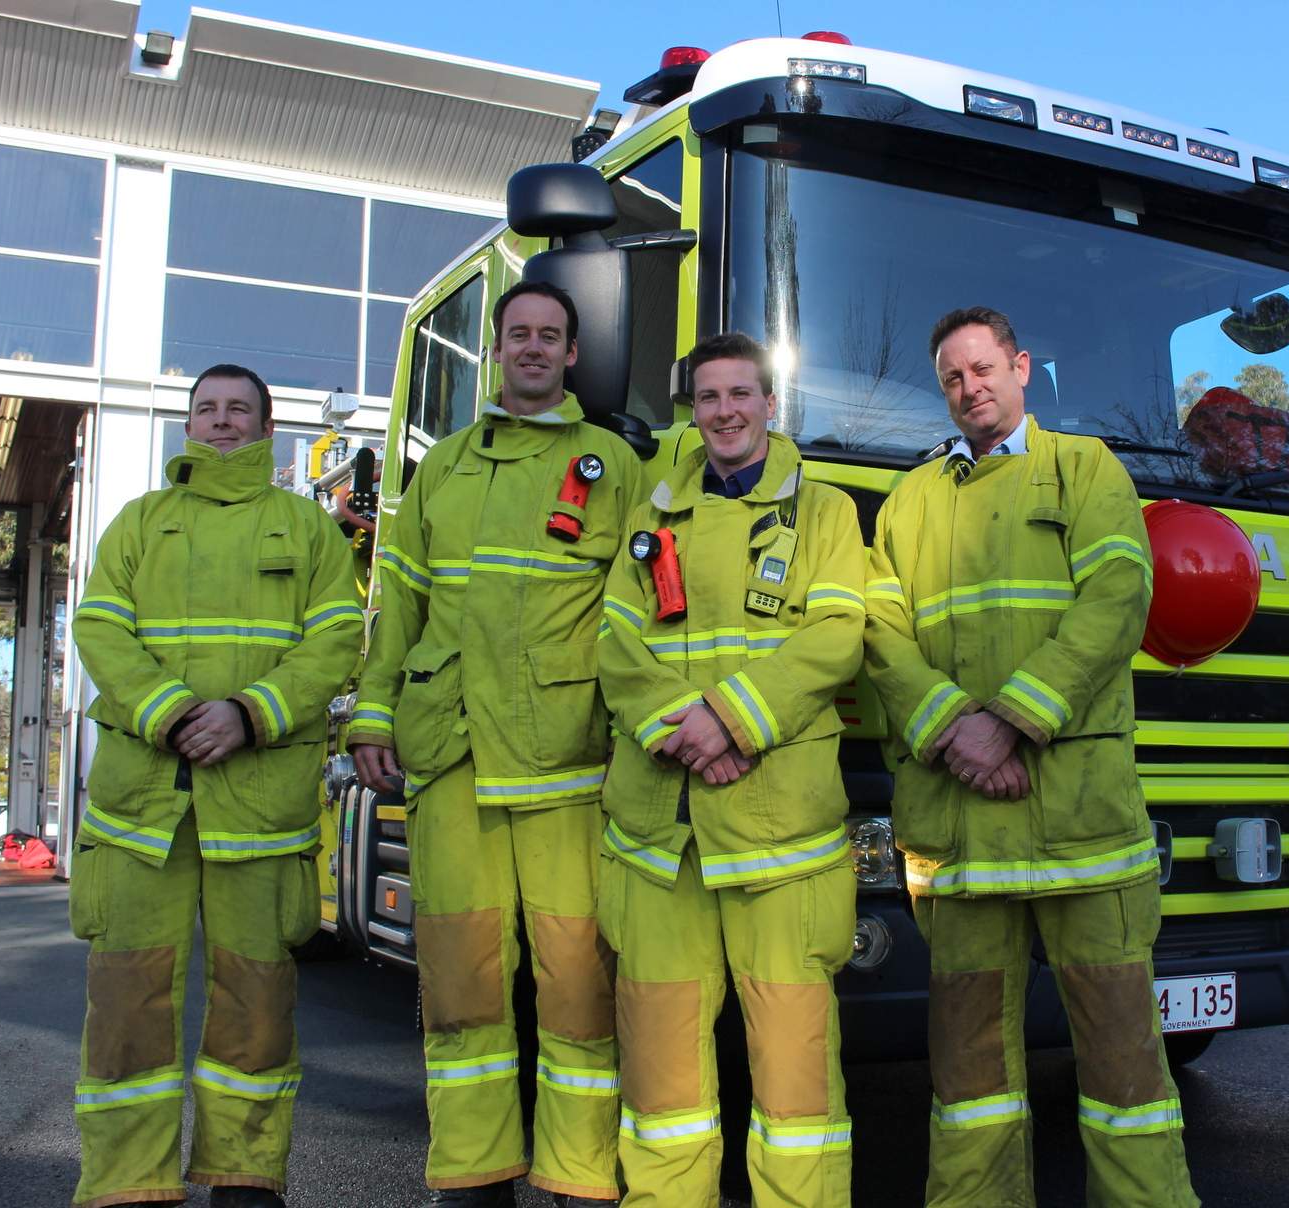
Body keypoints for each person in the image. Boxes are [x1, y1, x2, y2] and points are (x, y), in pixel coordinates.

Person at [863, 308, 1199, 1207]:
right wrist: (950, 728)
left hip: (1081, 836)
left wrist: (1006, 723)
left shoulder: (1087, 471)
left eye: (983, 369)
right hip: (966, 842)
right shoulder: (909, 503)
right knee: (968, 1085)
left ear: (1020, 368)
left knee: (1128, 1074)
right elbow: (882, 636)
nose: (971, 388)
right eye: (953, 379)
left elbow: (1116, 603)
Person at [348, 281, 643, 1207]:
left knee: (577, 993)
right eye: (517, 334)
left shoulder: (610, 464)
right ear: (497, 349)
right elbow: (399, 605)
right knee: (462, 988)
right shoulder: (443, 467)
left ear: (570, 355)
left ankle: (579, 1179)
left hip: (564, 764)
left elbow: (642, 609)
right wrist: (371, 713)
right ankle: (472, 1179)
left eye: (549, 336)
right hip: (450, 761)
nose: (531, 349)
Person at [69, 364, 363, 1208]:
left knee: (256, 1003)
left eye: (239, 410)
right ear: (188, 425)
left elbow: (338, 638)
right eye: (208, 410)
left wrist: (247, 713)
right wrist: (170, 712)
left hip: (258, 810)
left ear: (267, 428)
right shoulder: (138, 524)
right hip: (142, 811)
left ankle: (246, 1175)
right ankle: (127, 1182)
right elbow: (99, 627)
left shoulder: (306, 530)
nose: (223, 422)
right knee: (126, 1003)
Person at [595, 332, 864, 1207]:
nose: (724, 413)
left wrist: (730, 720)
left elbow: (834, 640)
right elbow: (616, 642)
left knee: (796, 1085)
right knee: (663, 1081)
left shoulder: (824, 514)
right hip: (663, 831)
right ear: (693, 411)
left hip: (778, 835)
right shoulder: (652, 518)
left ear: (770, 404)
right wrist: (682, 732)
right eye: (707, 399)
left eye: (740, 395)